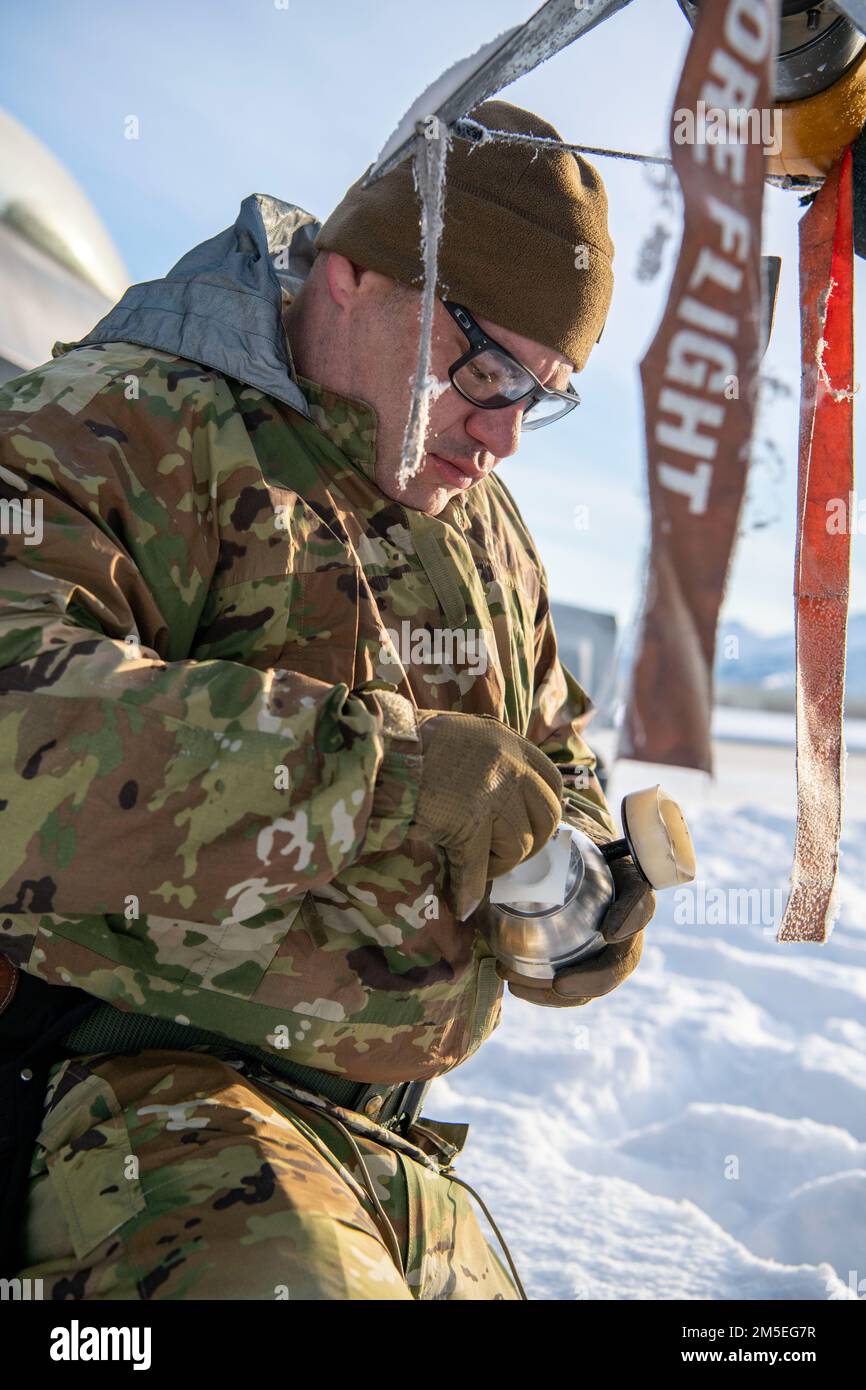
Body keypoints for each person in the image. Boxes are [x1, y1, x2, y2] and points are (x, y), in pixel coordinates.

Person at [0, 100, 654, 1300]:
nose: (502, 433)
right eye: (486, 365)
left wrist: (577, 902)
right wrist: (389, 779)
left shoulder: (482, 527)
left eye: (541, 391)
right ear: (349, 279)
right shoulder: (123, 420)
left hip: (391, 1154)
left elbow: (551, 763)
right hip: (131, 1109)